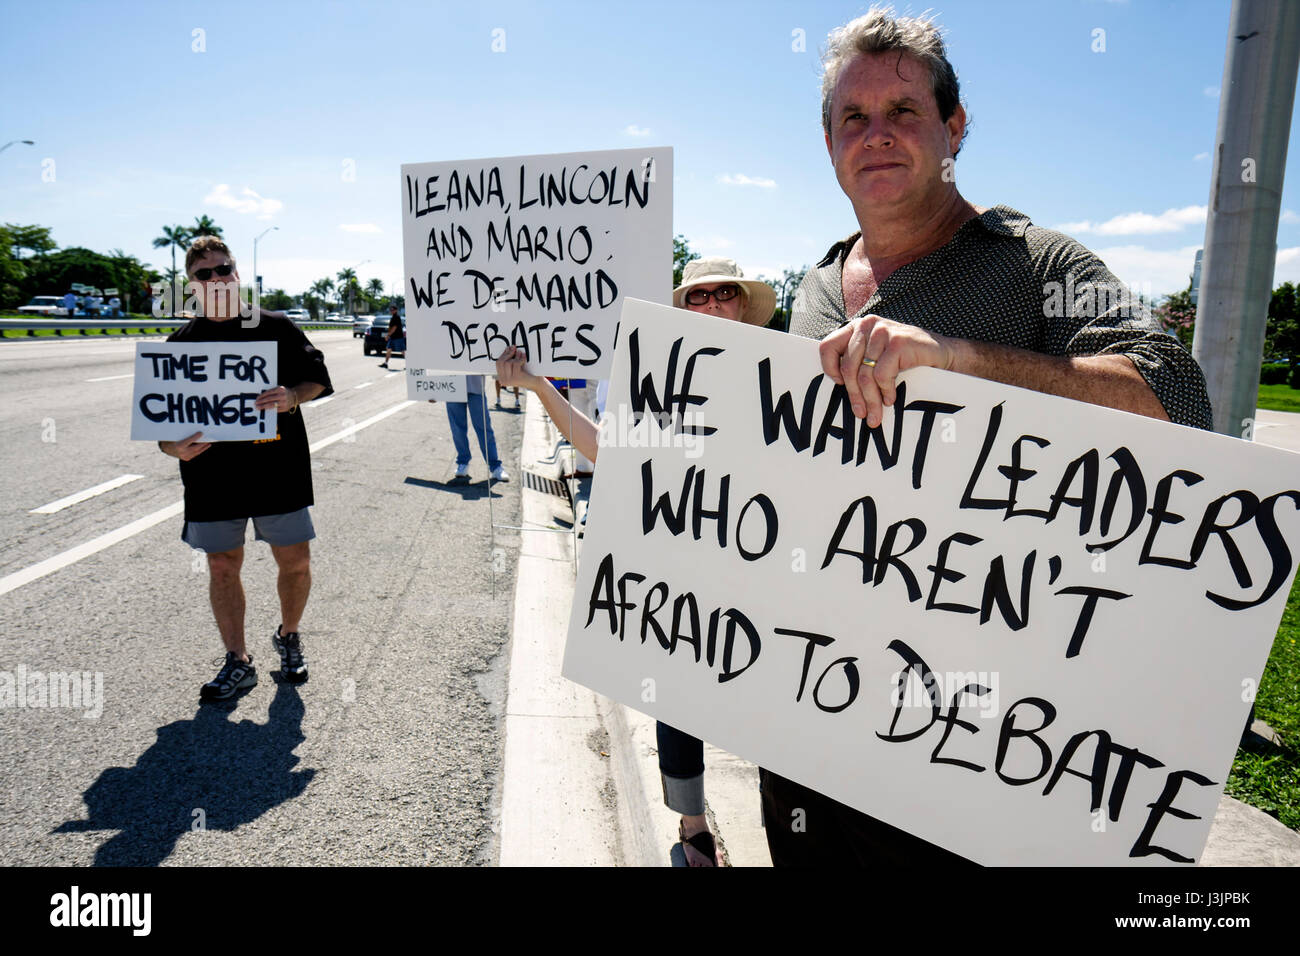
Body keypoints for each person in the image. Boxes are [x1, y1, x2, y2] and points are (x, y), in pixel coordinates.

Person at [761, 7, 1214, 867]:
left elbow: (1178, 396)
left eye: (904, 112)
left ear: (955, 126)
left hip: (972, 750)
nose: (877, 135)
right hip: (806, 723)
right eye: (853, 117)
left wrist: (959, 359)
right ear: (828, 143)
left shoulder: (1039, 265)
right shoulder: (816, 286)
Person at [497, 256, 775, 866]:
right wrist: (540, 386)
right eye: (695, 298)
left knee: (768, 699)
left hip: (764, 564)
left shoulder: (782, 376)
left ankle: (787, 826)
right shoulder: (655, 379)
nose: (709, 307)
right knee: (679, 694)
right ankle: (694, 825)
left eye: (722, 294)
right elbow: (603, 447)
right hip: (682, 563)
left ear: (742, 306)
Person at [158, 236, 334, 702]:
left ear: (236, 274)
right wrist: (171, 448)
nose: (216, 279)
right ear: (190, 285)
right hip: (212, 477)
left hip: (278, 468)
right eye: (205, 274)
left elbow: (317, 378)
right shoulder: (180, 344)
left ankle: (289, 635)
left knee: (295, 562)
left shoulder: (275, 326)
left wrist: (294, 396)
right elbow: (162, 424)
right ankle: (238, 661)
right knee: (221, 567)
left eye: (224, 269)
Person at [434, 375, 509, 482]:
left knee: (484, 428)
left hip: (475, 387)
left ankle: (495, 465)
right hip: (452, 386)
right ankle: (463, 462)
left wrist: (499, 376)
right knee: (457, 429)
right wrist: (432, 391)